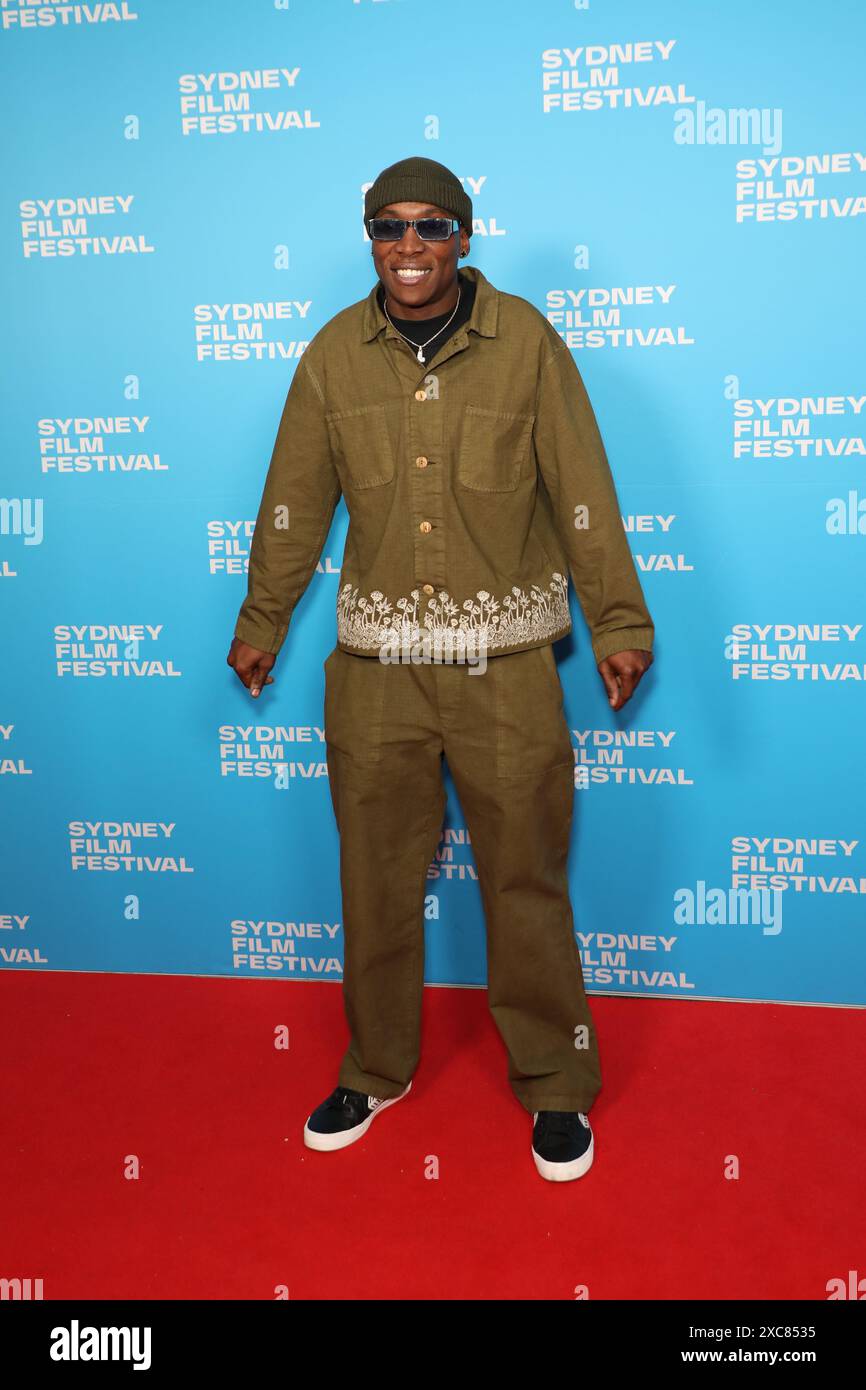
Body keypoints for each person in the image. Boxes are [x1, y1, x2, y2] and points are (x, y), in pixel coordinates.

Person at [227, 156, 655, 1182]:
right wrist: (261, 619)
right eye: (388, 228)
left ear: (464, 236)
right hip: (375, 671)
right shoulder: (333, 357)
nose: (408, 247)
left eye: (429, 227)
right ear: (368, 238)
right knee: (372, 881)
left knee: (524, 880)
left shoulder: (528, 350)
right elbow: (290, 501)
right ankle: (374, 1068)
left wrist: (616, 621)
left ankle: (555, 1083)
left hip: (503, 667)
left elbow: (582, 491)